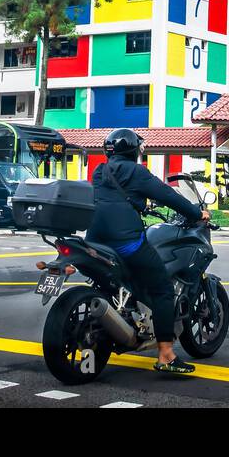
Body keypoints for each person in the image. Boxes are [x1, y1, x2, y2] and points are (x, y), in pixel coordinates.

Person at [87, 128, 211, 375]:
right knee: (163, 289)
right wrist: (198, 214)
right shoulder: (136, 171)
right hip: (124, 240)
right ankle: (166, 355)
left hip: (95, 239)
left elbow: (113, 198)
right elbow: (167, 195)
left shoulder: (100, 171)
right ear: (133, 150)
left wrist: (141, 204)